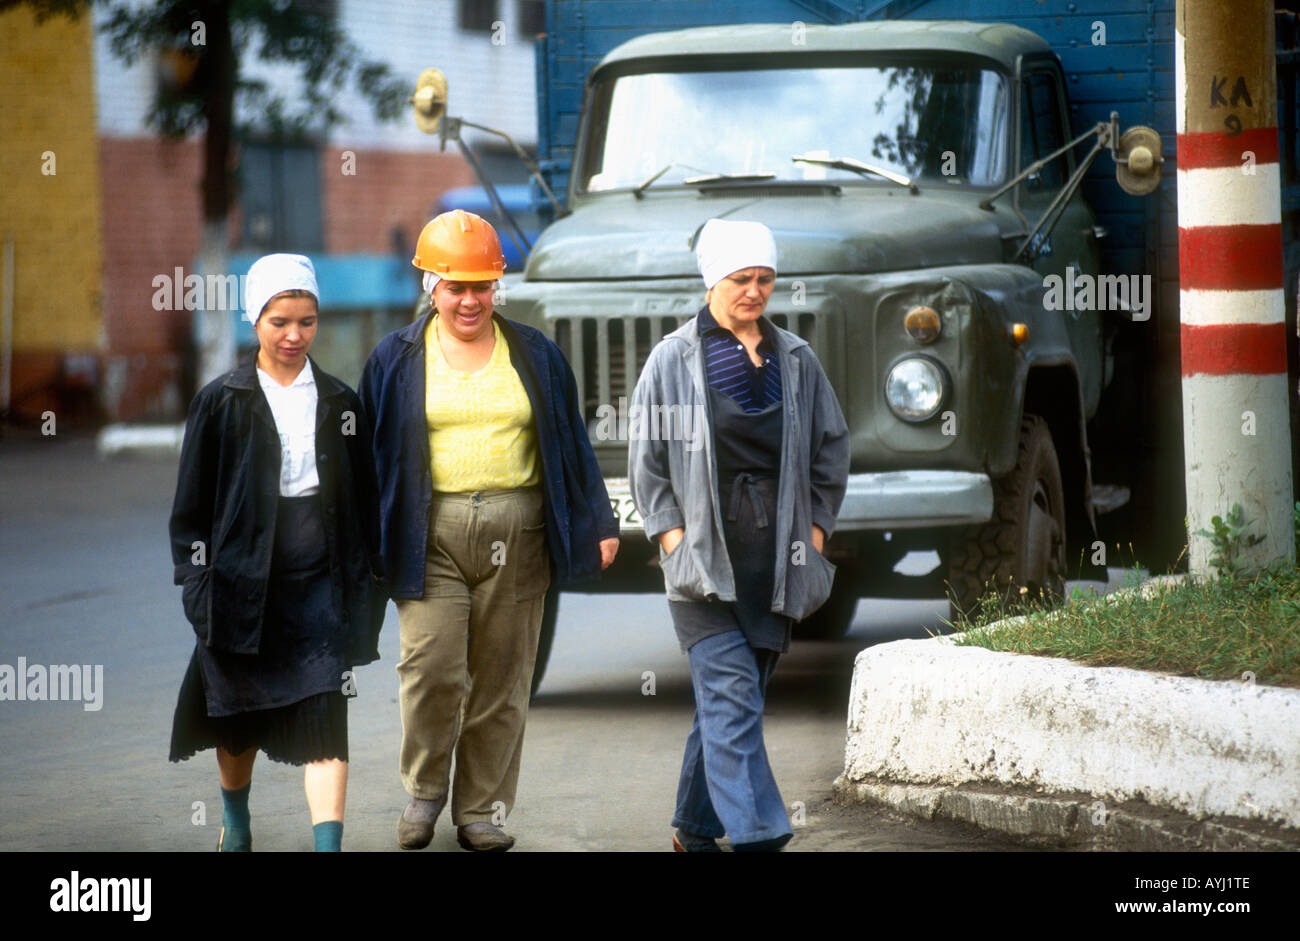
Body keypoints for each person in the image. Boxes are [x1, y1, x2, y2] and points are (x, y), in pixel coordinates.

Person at [359, 209, 619, 852]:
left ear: (497, 286)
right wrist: (360, 539)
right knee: (431, 669)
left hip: (520, 533)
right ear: (431, 287)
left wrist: (598, 521)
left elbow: (570, 443)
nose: (470, 299)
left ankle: (481, 810)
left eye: (481, 286)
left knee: (505, 678)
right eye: (456, 287)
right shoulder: (395, 358)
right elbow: (365, 455)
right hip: (430, 534)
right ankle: (424, 791)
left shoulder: (534, 353)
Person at [628, 218, 849, 852]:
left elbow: (831, 450)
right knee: (732, 702)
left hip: (776, 565)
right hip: (703, 563)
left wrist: (815, 535)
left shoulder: (796, 360)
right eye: (740, 279)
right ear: (711, 282)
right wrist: (672, 542)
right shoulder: (673, 360)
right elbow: (647, 467)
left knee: (728, 706)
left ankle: (695, 831)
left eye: (764, 279)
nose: (754, 291)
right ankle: (760, 835)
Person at [168, 253, 386, 852]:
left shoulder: (341, 404)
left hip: (321, 584)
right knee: (235, 718)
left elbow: (365, 499)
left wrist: (369, 580)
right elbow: (190, 510)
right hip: (238, 585)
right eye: (279, 321)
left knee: (324, 714)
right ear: (253, 320)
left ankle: (327, 847)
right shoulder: (221, 403)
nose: (294, 336)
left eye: (307, 322)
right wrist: (198, 582)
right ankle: (236, 823)